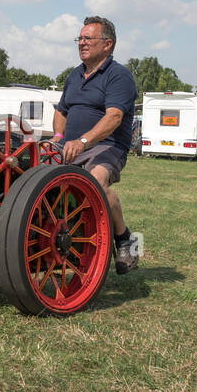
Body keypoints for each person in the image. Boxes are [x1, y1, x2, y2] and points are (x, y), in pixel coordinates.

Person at [52, 16, 138, 273]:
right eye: (79, 39)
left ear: (107, 44)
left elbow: (114, 117)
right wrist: (58, 139)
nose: (82, 43)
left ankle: (125, 241)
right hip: (69, 144)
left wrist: (84, 141)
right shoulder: (75, 75)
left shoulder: (119, 76)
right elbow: (61, 111)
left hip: (106, 146)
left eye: (88, 38)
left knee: (93, 184)